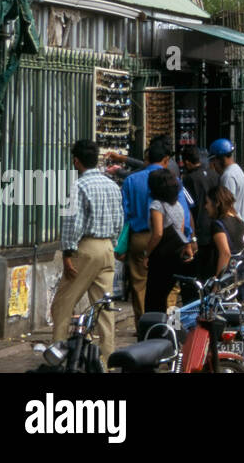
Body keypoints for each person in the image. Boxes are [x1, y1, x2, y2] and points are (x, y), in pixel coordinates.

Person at [52, 140, 124, 363]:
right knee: (104, 307)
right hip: (107, 249)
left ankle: (58, 354)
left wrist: (67, 252)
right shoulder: (112, 185)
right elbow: (120, 220)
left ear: (76, 161)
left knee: (63, 304)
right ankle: (107, 359)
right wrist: (112, 243)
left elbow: (72, 223)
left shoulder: (79, 186)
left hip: (86, 248)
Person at [120, 140, 187, 319]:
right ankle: (173, 329)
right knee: (172, 288)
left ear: (147, 158)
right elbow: (183, 217)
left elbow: (125, 215)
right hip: (172, 240)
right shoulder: (173, 181)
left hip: (142, 238)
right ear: (166, 160)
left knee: (141, 286)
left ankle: (146, 327)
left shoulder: (132, 180)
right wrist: (187, 240)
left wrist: (124, 244)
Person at [141, 167, 195, 315]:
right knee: (170, 297)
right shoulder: (178, 206)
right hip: (176, 255)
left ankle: (156, 331)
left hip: (161, 256)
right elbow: (182, 230)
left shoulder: (157, 205)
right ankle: (173, 329)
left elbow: (158, 233)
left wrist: (147, 254)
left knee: (154, 298)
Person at [206, 185, 244, 277]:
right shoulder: (240, 222)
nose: (206, 207)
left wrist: (217, 283)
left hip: (226, 278)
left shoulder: (218, 225)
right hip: (240, 276)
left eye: (207, 203)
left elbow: (225, 253)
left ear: (217, 203)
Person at [209, 138, 244, 219]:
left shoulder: (228, 176)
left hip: (231, 224)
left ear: (220, 158)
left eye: (214, 160)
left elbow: (226, 205)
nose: (214, 164)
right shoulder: (237, 169)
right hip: (237, 223)